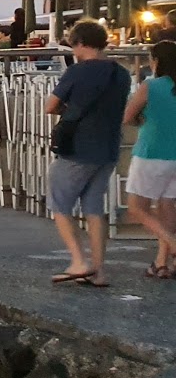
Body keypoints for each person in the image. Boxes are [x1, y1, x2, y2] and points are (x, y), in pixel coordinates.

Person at [46, 21, 131, 287]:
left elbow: (51, 106)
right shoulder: (121, 74)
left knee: (59, 203)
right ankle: (98, 270)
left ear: (80, 43)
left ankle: (78, 261)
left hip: (78, 148)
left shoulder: (76, 72)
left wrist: (69, 112)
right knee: (94, 208)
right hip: (107, 149)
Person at [123, 41, 176, 278]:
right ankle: (161, 263)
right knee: (167, 205)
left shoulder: (151, 86)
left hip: (151, 152)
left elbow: (127, 116)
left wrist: (141, 119)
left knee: (136, 207)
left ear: (157, 61)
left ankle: (172, 244)